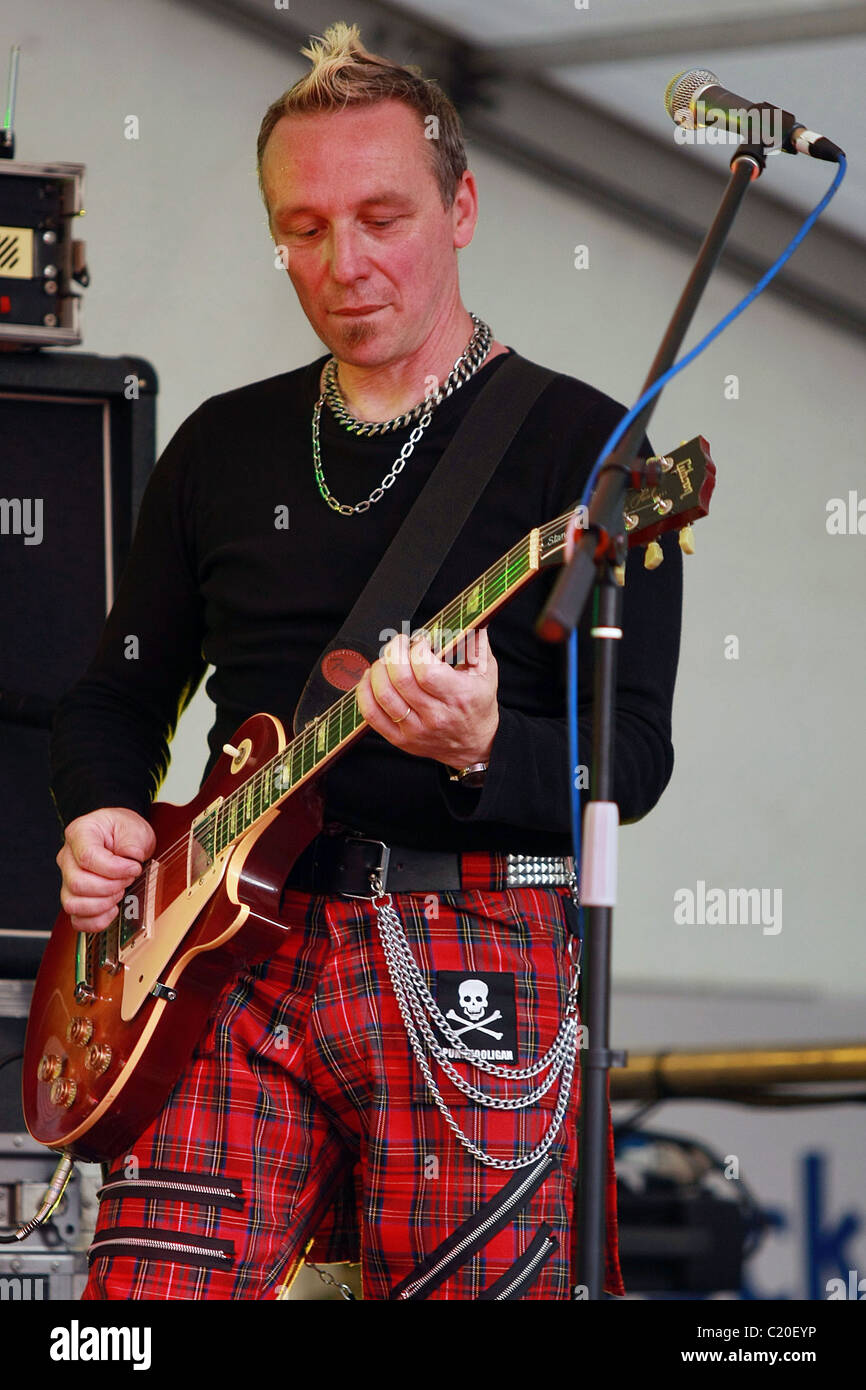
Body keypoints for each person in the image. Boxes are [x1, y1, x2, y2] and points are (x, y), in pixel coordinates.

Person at [49, 23, 682, 1301]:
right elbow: (117, 689)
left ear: (460, 207)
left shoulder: (589, 452)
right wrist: (105, 812)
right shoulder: (221, 446)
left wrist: (481, 747)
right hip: (213, 959)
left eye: (381, 215)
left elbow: (633, 757)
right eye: (304, 227)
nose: (344, 263)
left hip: (470, 934)